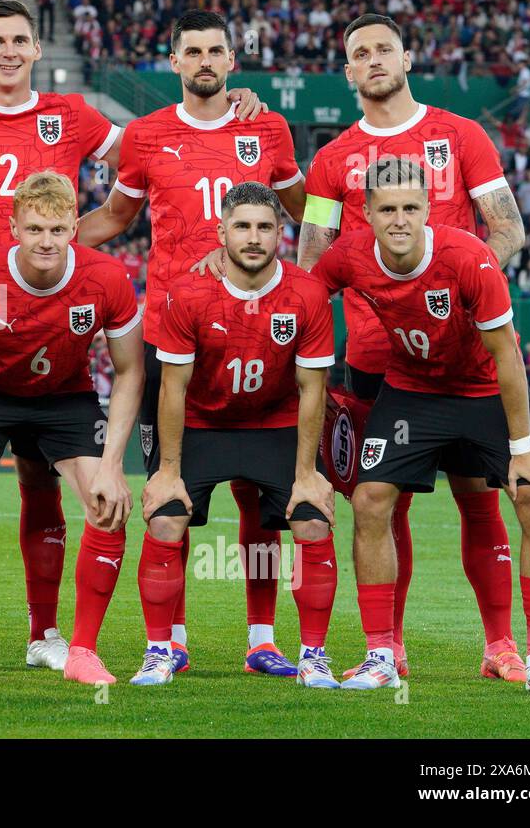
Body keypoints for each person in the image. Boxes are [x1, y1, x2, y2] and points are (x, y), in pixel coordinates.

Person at [0, 0, 267, 673]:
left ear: (38, 48)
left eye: (22, 39)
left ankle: (62, 642)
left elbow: (148, 153)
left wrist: (224, 105)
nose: (10, 50)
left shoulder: (74, 123)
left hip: (62, 371)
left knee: (81, 496)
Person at [295, 13, 529, 683]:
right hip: (374, 364)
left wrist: (463, 296)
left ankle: (501, 646)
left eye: (383, 49)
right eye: (359, 53)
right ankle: (387, 648)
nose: (372, 60)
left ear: (406, 58)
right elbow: (313, 265)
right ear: (347, 72)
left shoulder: (463, 135)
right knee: (379, 500)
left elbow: (507, 230)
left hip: (464, 358)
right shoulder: (331, 160)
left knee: (479, 499)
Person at [78, 8, 307, 677]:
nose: (205, 60)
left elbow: (306, 206)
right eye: (192, 51)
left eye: (215, 50)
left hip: (263, 331)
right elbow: (117, 217)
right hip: (172, 337)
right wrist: (47, 241)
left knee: (261, 501)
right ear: (173, 62)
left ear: (231, 60)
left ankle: (261, 639)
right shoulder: (146, 136)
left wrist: (318, 273)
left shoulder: (266, 126)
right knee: (168, 488)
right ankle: (169, 639)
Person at [311, 156, 530, 696]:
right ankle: (381, 652)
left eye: (410, 207)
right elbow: (300, 296)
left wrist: (521, 448)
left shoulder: (470, 259)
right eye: (387, 209)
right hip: (412, 391)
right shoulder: (349, 256)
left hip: (484, 392)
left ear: (429, 208)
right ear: (367, 213)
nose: (399, 219)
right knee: (370, 500)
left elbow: (508, 358)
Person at [0, 171, 143, 684]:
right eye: (35, 229)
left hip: (65, 396)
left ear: (73, 228)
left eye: (58, 230)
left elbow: (130, 371)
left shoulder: (105, 278)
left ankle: (72, 648)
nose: (47, 242)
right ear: (13, 226)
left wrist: (112, 466)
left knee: (108, 506)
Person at [140, 182, 338, 688]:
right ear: (222, 230)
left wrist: (309, 474)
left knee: (312, 520)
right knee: (166, 518)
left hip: (275, 422)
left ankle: (310, 654)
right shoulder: (187, 293)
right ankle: (161, 649)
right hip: (203, 423)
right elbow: (173, 388)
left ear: (281, 234)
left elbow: (312, 390)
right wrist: (167, 471)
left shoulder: (308, 293)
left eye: (266, 227)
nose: (254, 238)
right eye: (243, 226)